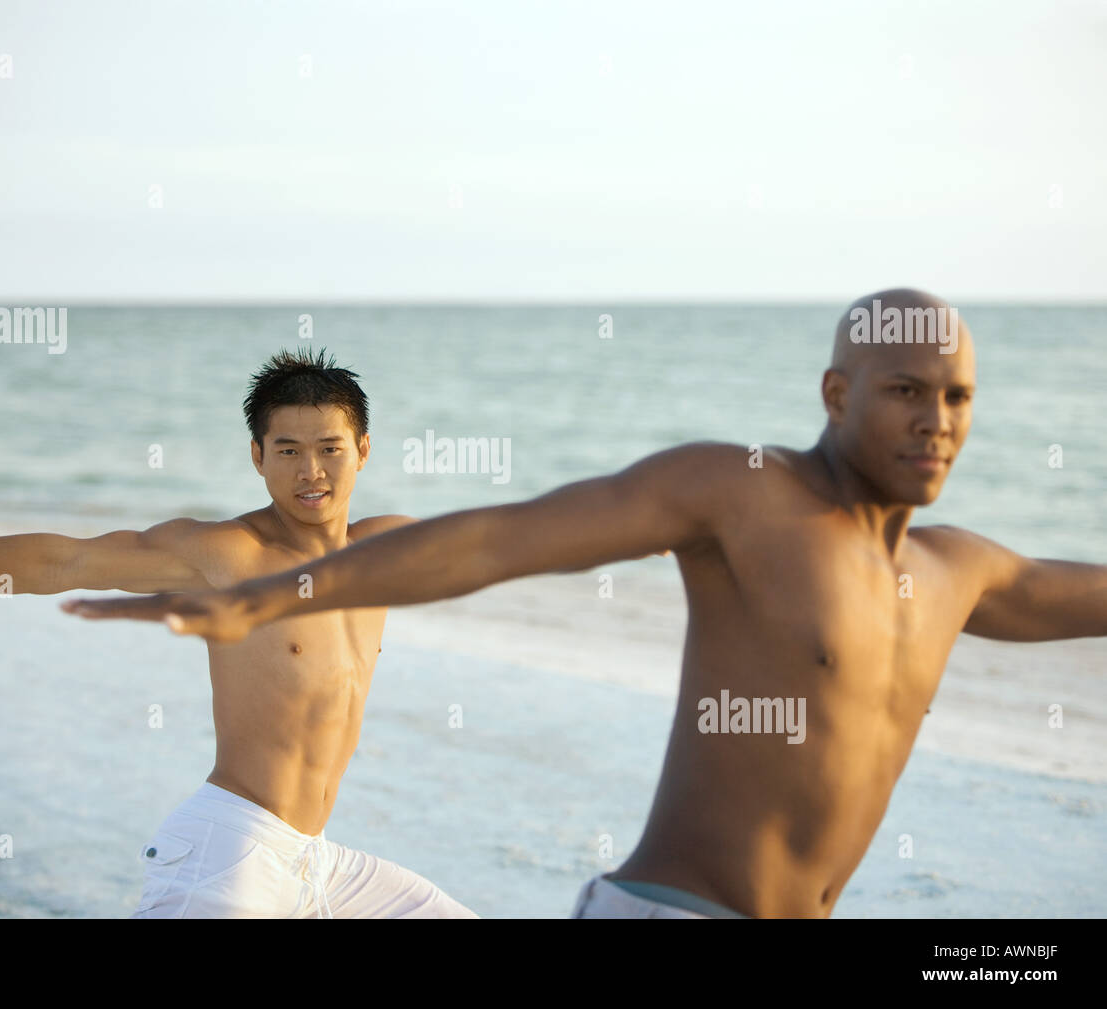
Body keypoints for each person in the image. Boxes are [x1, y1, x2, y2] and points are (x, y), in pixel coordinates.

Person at [62, 289, 1107, 918]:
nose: (934, 419)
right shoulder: (744, 495)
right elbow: (501, 538)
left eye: (957, 395)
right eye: (904, 389)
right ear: (837, 393)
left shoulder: (960, 571)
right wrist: (276, 593)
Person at [0, 348, 477, 919]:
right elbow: (64, 559)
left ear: (362, 449)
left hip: (318, 862)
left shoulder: (387, 549)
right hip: (231, 851)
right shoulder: (230, 555)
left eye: (330, 448)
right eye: (289, 450)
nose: (312, 470)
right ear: (257, 456)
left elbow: (512, 540)